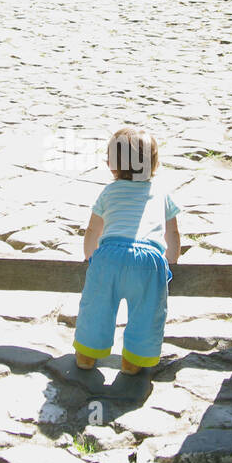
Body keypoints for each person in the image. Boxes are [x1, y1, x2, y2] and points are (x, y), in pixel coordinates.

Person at [73, 126, 181, 374]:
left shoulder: (109, 192)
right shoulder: (162, 193)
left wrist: (91, 257)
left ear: (114, 165)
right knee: (147, 312)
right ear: (154, 163)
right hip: (149, 260)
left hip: (109, 256)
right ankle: (134, 360)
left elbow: (93, 231)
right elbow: (172, 232)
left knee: (96, 307)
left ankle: (87, 354)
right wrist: (171, 259)